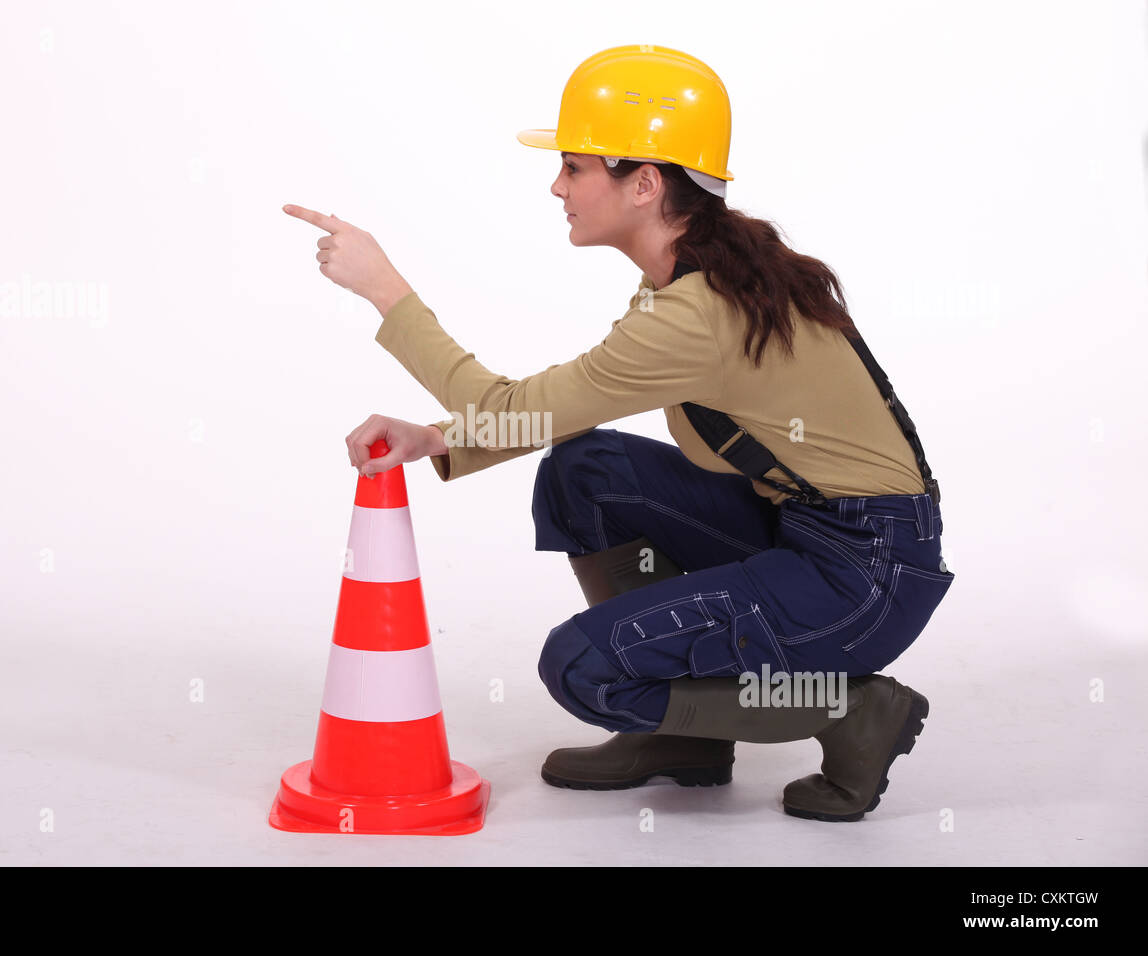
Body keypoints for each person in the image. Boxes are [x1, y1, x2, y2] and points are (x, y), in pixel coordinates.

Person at [283, 44, 955, 822]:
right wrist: (439, 437)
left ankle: (850, 709)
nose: (557, 185)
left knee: (586, 669)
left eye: (575, 167)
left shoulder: (695, 312)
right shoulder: (697, 275)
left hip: (863, 577)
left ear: (645, 183)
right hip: (812, 530)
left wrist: (384, 291)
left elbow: (510, 406)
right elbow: (557, 409)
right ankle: (685, 741)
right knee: (588, 470)